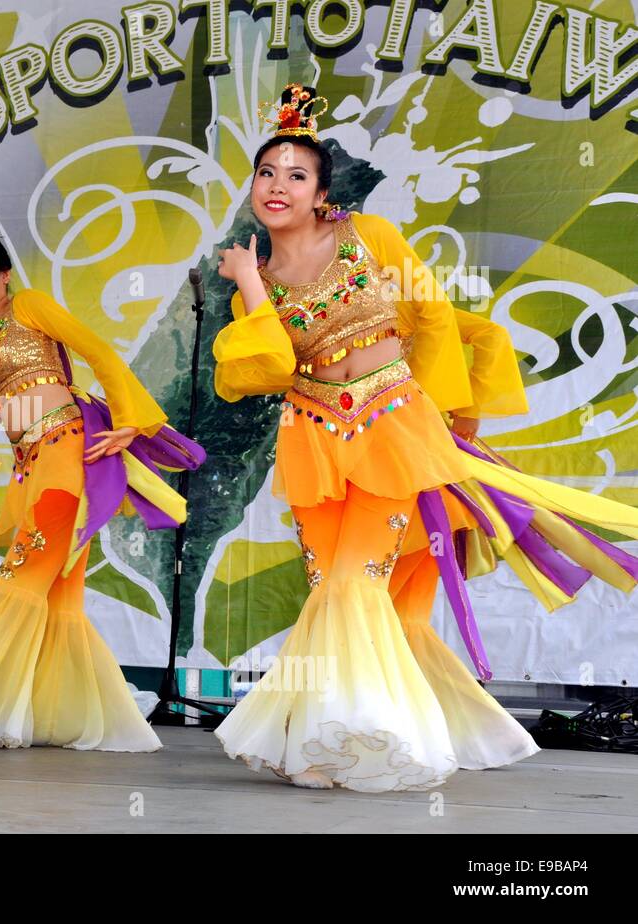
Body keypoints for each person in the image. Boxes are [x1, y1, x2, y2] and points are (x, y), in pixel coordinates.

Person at [211, 84, 638, 791]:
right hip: (313, 439)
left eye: (296, 174)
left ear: (322, 192)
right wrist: (254, 285)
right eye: (266, 173)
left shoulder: (370, 237)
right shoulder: (250, 283)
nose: (277, 185)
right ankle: (388, 729)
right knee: (335, 590)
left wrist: (444, 422)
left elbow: (435, 320)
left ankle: (361, 736)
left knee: (354, 583)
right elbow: (270, 369)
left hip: (392, 427)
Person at [0, 195, 204, 750]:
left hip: (65, 452)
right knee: (60, 596)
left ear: (3, 275)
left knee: (21, 577)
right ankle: (62, 718)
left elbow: (99, 350)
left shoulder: (29, 307)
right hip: (31, 465)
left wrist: (130, 421)